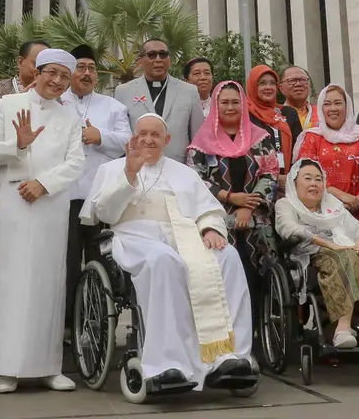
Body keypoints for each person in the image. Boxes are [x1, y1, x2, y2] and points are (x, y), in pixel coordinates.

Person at [80, 114, 257, 389]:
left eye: (155, 135)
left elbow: (207, 209)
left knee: (229, 257)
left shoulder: (184, 172)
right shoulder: (112, 169)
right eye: (142, 134)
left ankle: (229, 357)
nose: (148, 139)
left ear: (167, 140)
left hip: (186, 236)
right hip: (133, 237)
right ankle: (167, 364)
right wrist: (129, 174)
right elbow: (104, 213)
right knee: (164, 260)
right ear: (133, 138)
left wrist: (210, 228)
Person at [0, 48, 85, 394]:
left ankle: (48, 367)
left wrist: (44, 184)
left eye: (64, 76)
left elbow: (76, 162)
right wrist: (17, 145)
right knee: (10, 283)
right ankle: (6, 367)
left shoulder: (70, 117)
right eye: (51, 73)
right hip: (12, 205)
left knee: (48, 284)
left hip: (51, 206)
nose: (57, 81)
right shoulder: (8, 106)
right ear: (35, 72)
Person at [276, 159, 359, 349]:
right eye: (307, 178)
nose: (314, 184)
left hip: (347, 249)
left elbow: (357, 226)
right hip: (312, 253)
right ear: (295, 182)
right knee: (343, 258)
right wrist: (325, 242)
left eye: (318, 179)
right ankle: (342, 329)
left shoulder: (331, 203)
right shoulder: (286, 204)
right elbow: (287, 228)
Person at [187, 81, 280, 296]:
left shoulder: (260, 138)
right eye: (225, 102)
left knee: (260, 281)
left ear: (243, 104)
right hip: (217, 220)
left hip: (256, 219)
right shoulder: (202, 141)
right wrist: (229, 197)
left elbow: (270, 173)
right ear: (215, 106)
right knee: (224, 281)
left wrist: (248, 207)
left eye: (235, 102)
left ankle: (259, 326)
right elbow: (195, 178)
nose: (230, 107)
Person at [63, 45, 130, 330]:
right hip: (63, 198)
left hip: (99, 198)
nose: (88, 73)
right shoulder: (56, 102)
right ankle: (66, 326)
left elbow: (128, 142)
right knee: (64, 264)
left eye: (92, 68)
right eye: (81, 67)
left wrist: (99, 135)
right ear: (69, 72)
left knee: (101, 262)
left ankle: (100, 325)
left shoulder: (113, 106)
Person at [293, 84, 359, 234]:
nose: (333, 108)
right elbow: (304, 176)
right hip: (324, 214)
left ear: (347, 107)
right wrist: (342, 197)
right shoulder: (312, 138)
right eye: (327, 104)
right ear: (321, 108)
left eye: (338, 103)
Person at [115, 38, 203, 160]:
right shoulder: (123, 91)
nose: (158, 59)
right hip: (139, 166)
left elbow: (197, 138)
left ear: (169, 60)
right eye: (152, 55)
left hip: (177, 166)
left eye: (163, 55)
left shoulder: (189, 91)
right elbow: (121, 134)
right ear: (140, 61)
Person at [246, 66, 303, 174]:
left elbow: (299, 149)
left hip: (289, 180)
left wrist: (293, 177)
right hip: (257, 180)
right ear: (253, 86)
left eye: (272, 83)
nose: (268, 87)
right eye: (262, 83)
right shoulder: (246, 115)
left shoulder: (289, 113)